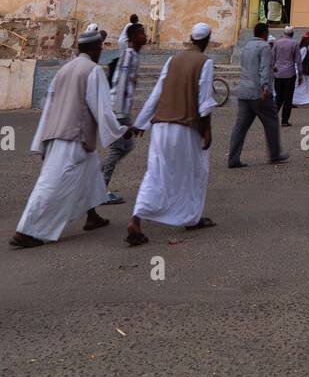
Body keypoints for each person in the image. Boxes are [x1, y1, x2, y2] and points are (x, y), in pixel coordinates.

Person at [10, 26, 128, 248]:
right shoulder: (93, 71)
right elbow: (102, 108)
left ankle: (92, 217)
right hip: (74, 139)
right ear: (93, 49)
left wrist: (42, 141)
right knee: (51, 185)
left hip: (58, 135)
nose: (101, 50)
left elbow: (48, 106)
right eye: (100, 47)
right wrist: (121, 131)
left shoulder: (64, 70)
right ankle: (25, 230)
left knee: (92, 175)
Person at [126, 23, 217, 246]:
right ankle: (191, 218)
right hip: (185, 128)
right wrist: (207, 129)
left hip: (160, 127)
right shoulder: (205, 62)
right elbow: (205, 102)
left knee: (155, 173)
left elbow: (156, 93)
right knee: (196, 172)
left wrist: (140, 123)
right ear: (206, 41)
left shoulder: (172, 60)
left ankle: (136, 220)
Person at [228, 23, 289, 168]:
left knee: (240, 127)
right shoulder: (264, 47)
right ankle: (274, 154)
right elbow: (263, 69)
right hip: (258, 92)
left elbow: (249, 66)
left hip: (244, 91)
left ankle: (233, 158)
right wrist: (266, 87)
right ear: (264, 33)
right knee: (272, 122)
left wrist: (270, 68)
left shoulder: (246, 46)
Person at [102, 18, 148, 203]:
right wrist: (122, 118)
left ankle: (96, 174)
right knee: (118, 147)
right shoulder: (129, 55)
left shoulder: (134, 55)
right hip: (118, 109)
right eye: (141, 33)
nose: (145, 36)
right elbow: (120, 83)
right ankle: (100, 189)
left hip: (122, 109)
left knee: (125, 147)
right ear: (133, 37)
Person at [272, 26, 299, 127]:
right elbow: (298, 60)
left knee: (278, 97)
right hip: (290, 74)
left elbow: (272, 57)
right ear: (292, 34)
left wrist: (272, 70)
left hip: (278, 73)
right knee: (288, 99)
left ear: (284, 33)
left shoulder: (277, 43)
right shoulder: (294, 43)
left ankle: (272, 119)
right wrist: (300, 74)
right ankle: (284, 121)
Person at [292, 31, 309, 107]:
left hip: (306, 72)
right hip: (303, 73)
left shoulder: (305, 48)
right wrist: (298, 73)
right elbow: (299, 61)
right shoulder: (304, 49)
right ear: (306, 40)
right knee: (305, 87)